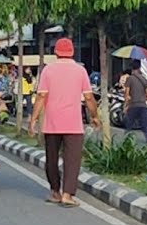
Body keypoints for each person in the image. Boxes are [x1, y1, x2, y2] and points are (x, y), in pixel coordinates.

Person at [29, 39, 99, 207]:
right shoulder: (80, 71)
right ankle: (67, 194)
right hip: (73, 124)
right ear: (72, 52)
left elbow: (41, 96)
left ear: (56, 52)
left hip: (52, 123)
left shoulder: (48, 70)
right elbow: (89, 97)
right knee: (72, 160)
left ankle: (55, 192)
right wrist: (94, 116)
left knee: (51, 159)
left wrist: (33, 119)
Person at [124, 60, 147, 144]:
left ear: (132, 68)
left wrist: (125, 106)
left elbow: (127, 94)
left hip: (133, 105)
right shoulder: (144, 79)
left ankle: (126, 142)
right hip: (143, 105)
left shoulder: (130, 79)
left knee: (129, 125)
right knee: (145, 125)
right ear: (139, 68)